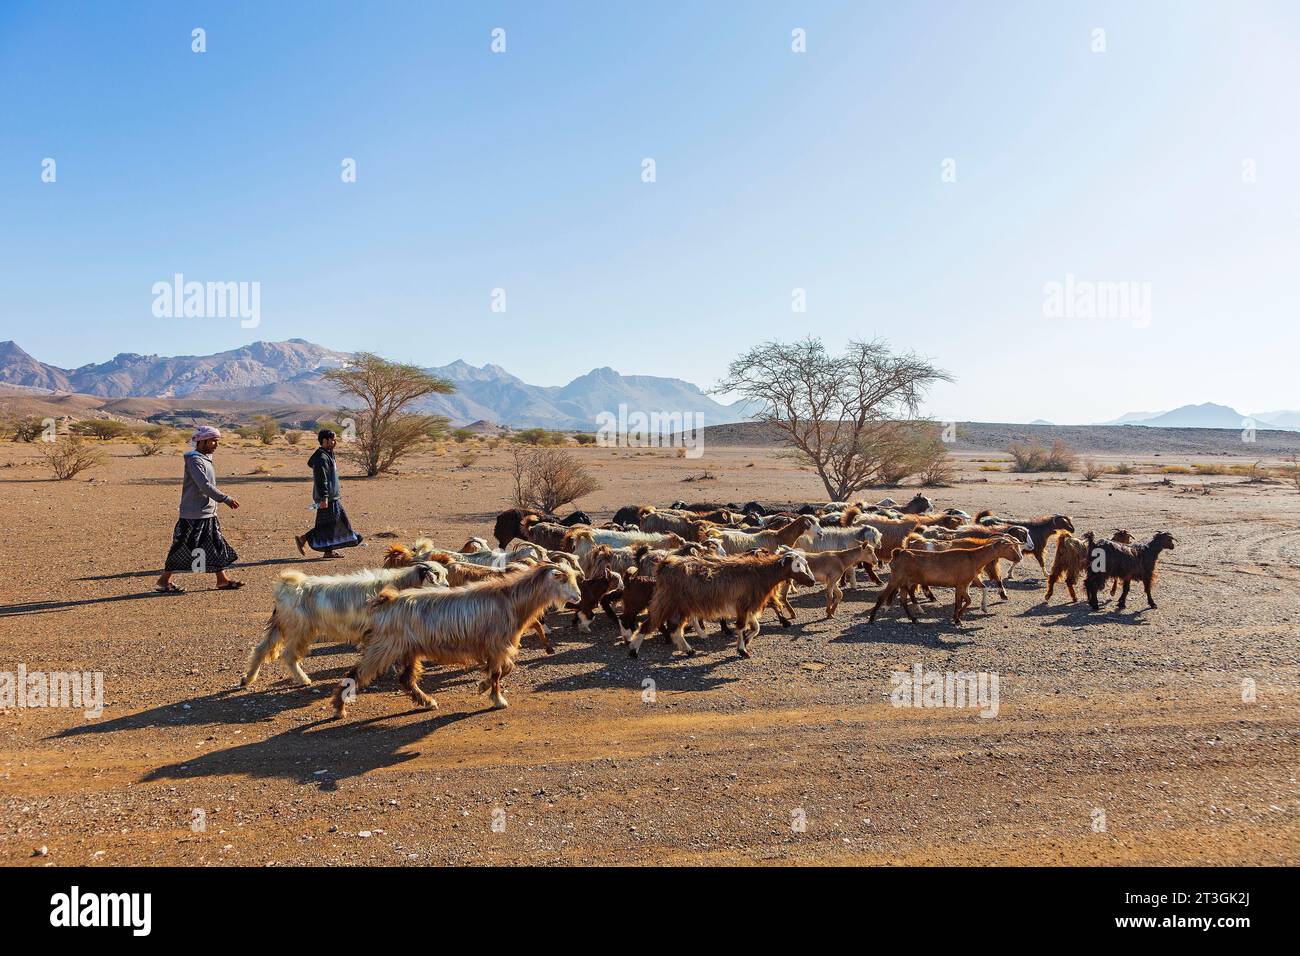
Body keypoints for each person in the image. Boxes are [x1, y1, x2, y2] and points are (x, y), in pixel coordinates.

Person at [156, 426, 243, 593]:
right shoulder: (194, 460)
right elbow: (204, 485)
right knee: (182, 547)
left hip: (207, 512)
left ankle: (222, 580)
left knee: (214, 544)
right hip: (193, 514)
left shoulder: (205, 458)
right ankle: (163, 580)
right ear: (201, 441)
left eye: (217, 441)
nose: (216, 445)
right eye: (212, 441)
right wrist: (226, 498)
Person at [295, 429, 363, 558]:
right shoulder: (321, 457)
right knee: (331, 523)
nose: (335, 442)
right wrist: (324, 497)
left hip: (332, 497)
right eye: (332, 440)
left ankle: (327, 551)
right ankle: (303, 539)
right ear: (324, 441)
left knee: (332, 523)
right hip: (327, 498)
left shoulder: (327, 454)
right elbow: (322, 479)